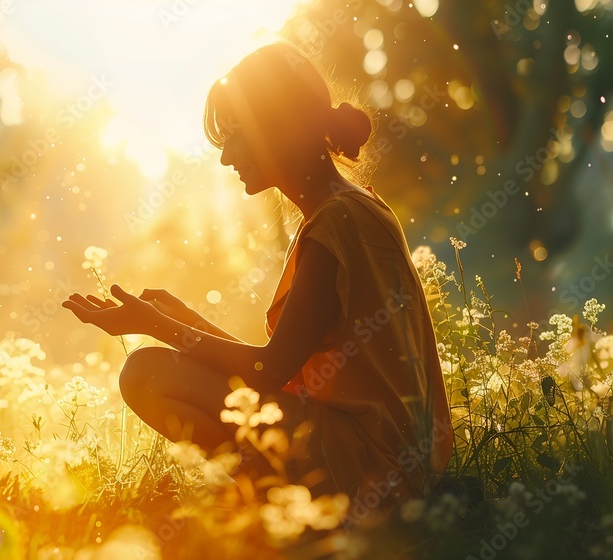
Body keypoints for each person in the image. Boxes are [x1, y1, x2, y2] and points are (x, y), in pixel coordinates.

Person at [62, 41, 452, 508]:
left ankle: (266, 503)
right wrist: (185, 320)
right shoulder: (346, 210)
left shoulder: (336, 222)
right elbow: (279, 367)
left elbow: (267, 372)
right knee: (152, 368)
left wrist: (155, 325)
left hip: (373, 465)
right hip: (387, 458)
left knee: (144, 372)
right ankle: (266, 504)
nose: (227, 158)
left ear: (279, 127)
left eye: (235, 135)